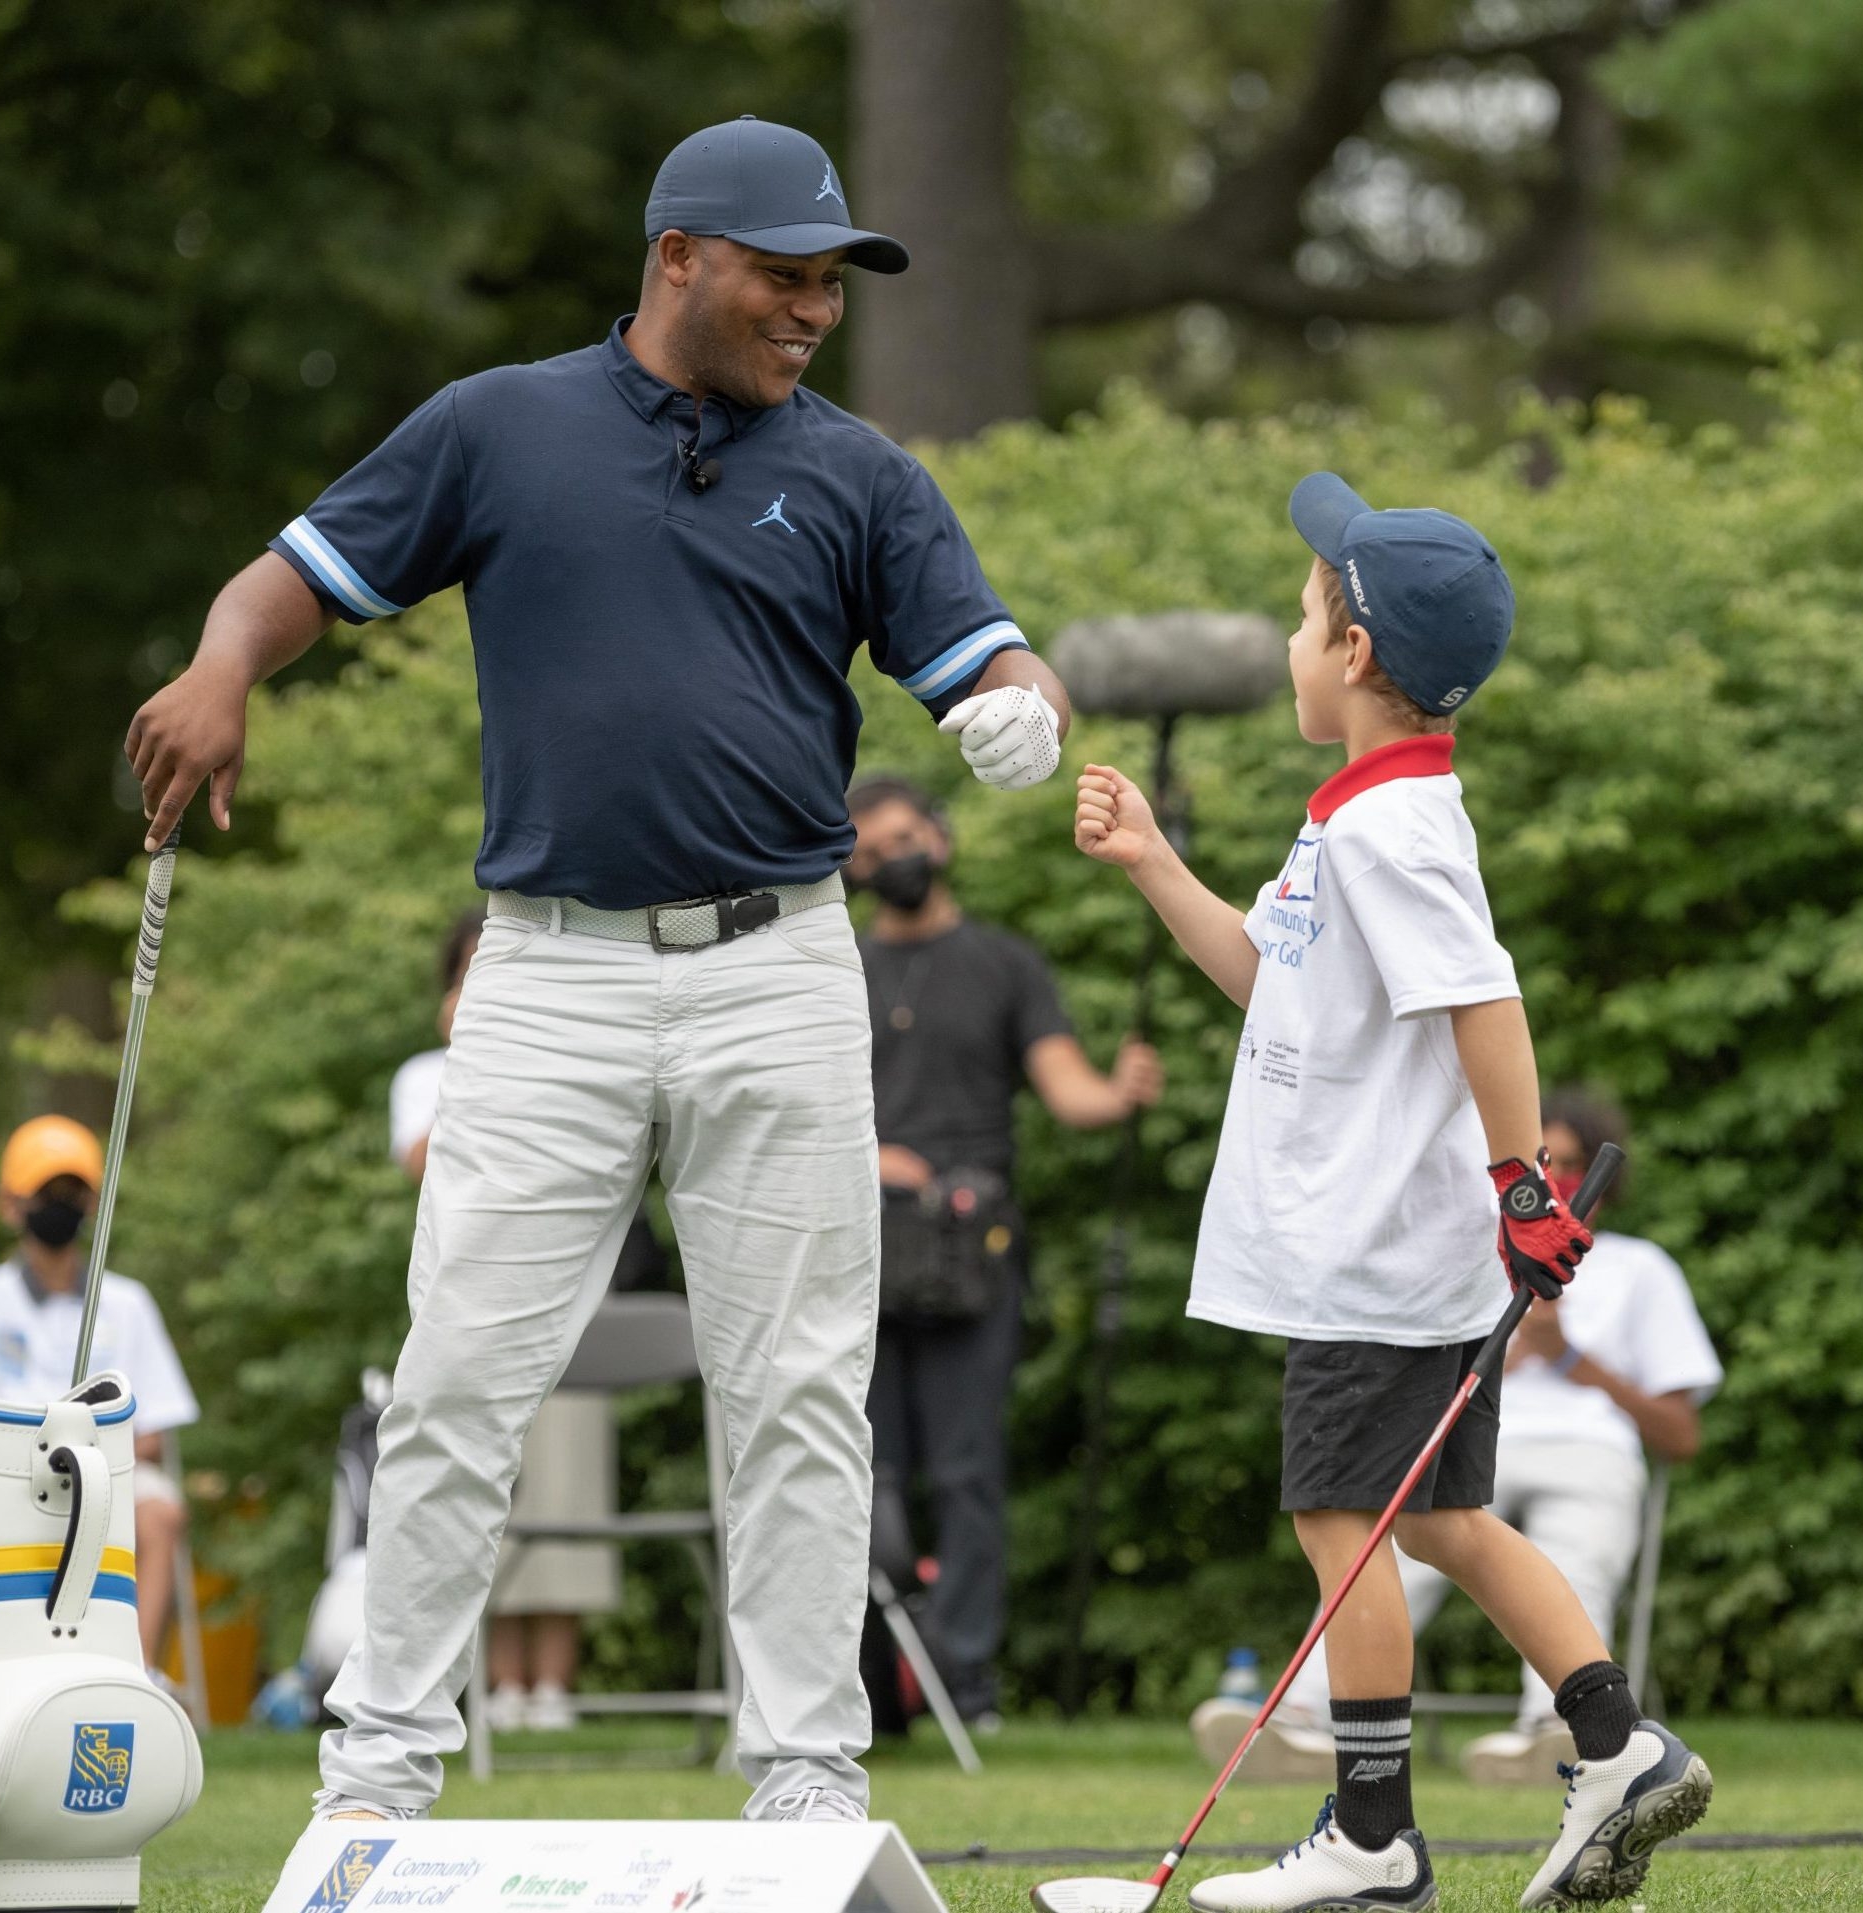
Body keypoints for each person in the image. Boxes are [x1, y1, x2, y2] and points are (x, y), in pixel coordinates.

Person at [126, 116, 1071, 1834]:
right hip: (545, 975)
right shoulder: (500, 425)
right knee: (457, 1376)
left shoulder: (858, 474)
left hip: (780, 968)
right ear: (676, 260)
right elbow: (297, 576)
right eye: (783, 276)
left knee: (795, 1388)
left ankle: (803, 1779)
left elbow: (984, 647)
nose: (809, 312)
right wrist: (217, 664)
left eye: (830, 286)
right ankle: (378, 1777)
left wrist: (1021, 696)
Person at [1074, 474, 1711, 1912]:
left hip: (1373, 1253)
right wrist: (1153, 865)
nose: (1292, 635)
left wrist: (1516, 1181)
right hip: (1393, 1252)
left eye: (1305, 614)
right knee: (1431, 1522)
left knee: (1339, 1519)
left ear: (1352, 656)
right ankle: (1615, 1747)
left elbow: (1482, 998)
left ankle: (1371, 1840)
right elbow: (1273, 992)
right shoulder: (1355, 817)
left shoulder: (1391, 829)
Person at [1215, 1088, 1724, 1790]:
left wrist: (1574, 1358)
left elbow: (1680, 1432)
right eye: (1548, 1165)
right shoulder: (1479, 1256)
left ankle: (1560, 1726)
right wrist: (1514, 1344)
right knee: (1399, 1536)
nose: (1561, 1183)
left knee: (1577, 1552)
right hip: (1489, 1440)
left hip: (1590, 1451)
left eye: (1573, 1167)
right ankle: (1303, 1715)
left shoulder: (1642, 1268)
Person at [846, 774, 1162, 1731]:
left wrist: (1118, 1092)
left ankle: (965, 1688)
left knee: (967, 1471)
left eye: (902, 837)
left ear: (937, 839)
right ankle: (863, 1694)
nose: (888, 859)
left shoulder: (1002, 964)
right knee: (856, 1471)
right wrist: (871, 1157)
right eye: (865, 852)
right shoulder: (834, 966)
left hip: (968, 1250)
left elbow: (1068, 1091)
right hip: (855, 1241)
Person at [390, 913, 664, 1733]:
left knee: (573, 1490)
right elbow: (423, 1156)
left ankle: (553, 1686)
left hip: (579, 1306)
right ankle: (496, 1685)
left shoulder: (581, 1051)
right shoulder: (428, 1071)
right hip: (476, 1297)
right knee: (486, 1490)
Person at [0, 1116, 201, 1676]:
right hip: (5, 1478)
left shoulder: (127, 1302)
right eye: (46, 1193)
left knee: (162, 1513)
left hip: (110, 1473)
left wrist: (87, 1455)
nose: (60, 1205)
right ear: (10, 1204)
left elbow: (151, 1432)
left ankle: (135, 1671)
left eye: (72, 1193)